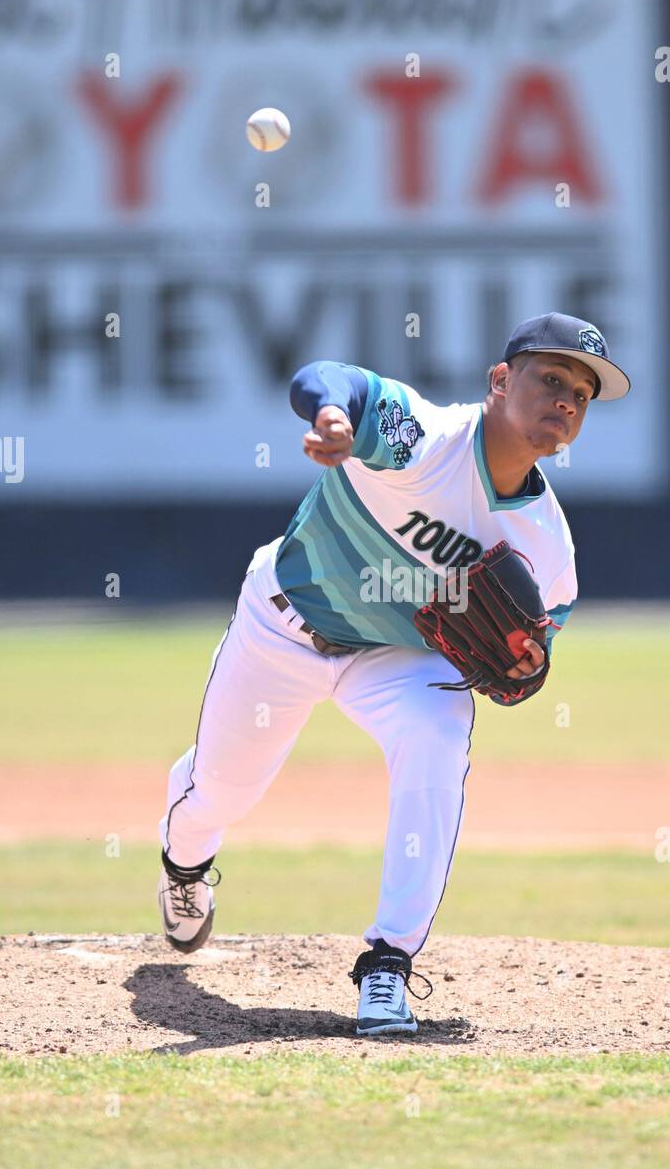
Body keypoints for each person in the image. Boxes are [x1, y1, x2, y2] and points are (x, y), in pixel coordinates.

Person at [157, 312, 631, 1036]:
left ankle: (389, 964)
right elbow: (329, 378)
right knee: (221, 793)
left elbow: (531, 652)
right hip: (283, 625)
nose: (566, 400)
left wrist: (526, 663)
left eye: (582, 395)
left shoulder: (547, 547)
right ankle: (185, 868)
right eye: (551, 378)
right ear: (501, 382)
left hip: (394, 657)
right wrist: (331, 416)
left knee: (440, 731)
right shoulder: (423, 435)